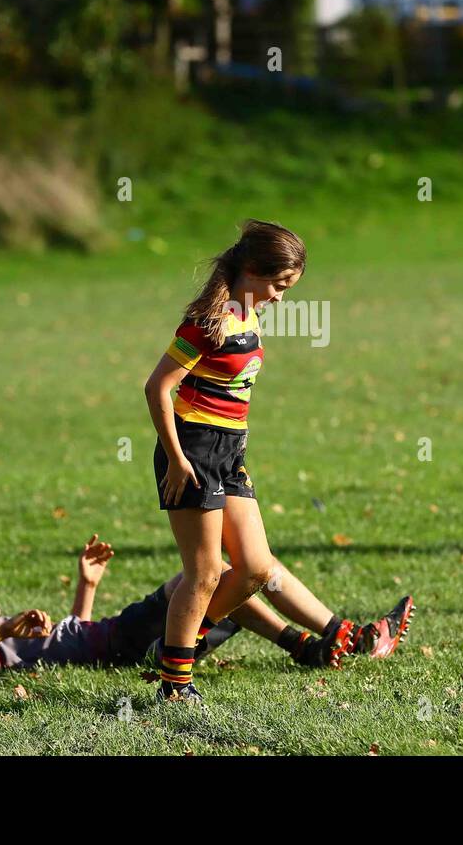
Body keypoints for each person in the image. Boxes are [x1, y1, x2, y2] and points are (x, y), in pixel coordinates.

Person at [143, 220, 305, 704]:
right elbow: (157, 388)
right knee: (205, 572)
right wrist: (174, 458)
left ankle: (178, 646)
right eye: (278, 285)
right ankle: (175, 684)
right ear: (252, 270)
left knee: (255, 568)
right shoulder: (206, 323)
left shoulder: (246, 314)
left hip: (229, 452)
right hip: (191, 451)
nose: (280, 297)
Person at [0, 535, 415, 682]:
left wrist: (86, 584)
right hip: (128, 642)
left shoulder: (7, 635)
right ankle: (329, 635)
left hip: (124, 638)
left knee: (232, 574)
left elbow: (76, 636)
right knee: (210, 573)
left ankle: (310, 644)